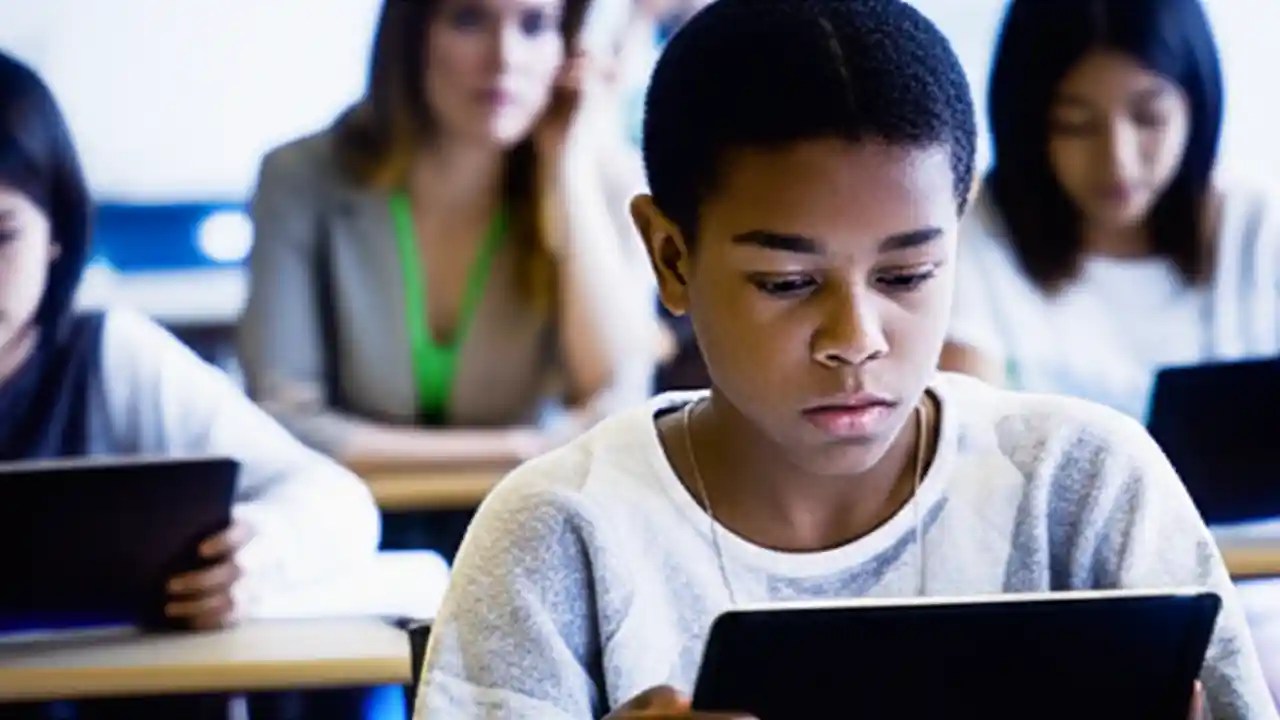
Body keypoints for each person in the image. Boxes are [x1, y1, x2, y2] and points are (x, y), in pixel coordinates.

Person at [413, 0, 1274, 717]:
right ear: (671, 257)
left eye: (908, 274)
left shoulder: (1084, 487)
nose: (857, 337)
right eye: (787, 283)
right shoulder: (560, 534)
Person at [0, 51, 381, 718]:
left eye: (1, 237)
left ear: (57, 231)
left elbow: (340, 504)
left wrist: (256, 556)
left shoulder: (110, 359)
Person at [240, 0, 658, 469]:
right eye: (469, 19)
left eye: (535, 24)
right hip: (352, 504)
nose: (505, 59)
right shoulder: (300, 178)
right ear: (410, 38)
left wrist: (567, 170)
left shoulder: (600, 182)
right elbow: (283, 421)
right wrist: (525, 449)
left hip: (526, 505)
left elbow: (619, 403)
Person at [941, 0, 1280, 421]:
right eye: (1077, 124)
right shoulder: (973, 237)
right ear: (1028, 123)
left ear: (1195, 106)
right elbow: (968, 433)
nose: (1118, 161)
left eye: (1149, 118)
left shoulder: (1256, 230)